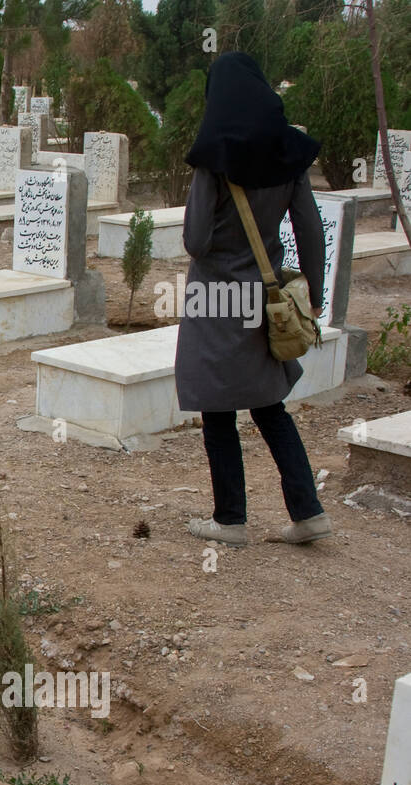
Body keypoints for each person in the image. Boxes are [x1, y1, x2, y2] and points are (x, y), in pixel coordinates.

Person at [176, 51, 331, 548]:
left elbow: (197, 240)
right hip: (266, 296)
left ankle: (230, 518)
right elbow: (309, 226)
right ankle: (308, 511)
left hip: (215, 295)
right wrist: (316, 291)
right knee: (269, 404)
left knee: (217, 405)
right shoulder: (289, 152)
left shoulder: (213, 156)